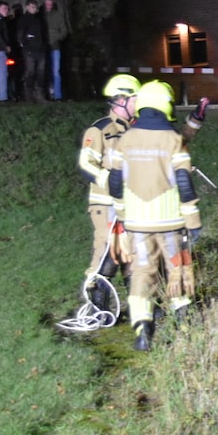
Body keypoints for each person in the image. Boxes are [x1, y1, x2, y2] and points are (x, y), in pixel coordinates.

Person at [108, 80, 203, 351]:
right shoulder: (173, 140)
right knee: (178, 269)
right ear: (166, 105)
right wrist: (193, 222)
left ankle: (142, 331)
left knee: (141, 273)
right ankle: (186, 326)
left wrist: (122, 214)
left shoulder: (125, 140)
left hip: (137, 223)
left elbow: (115, 181)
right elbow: (184, 183)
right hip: (171, 223)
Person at [78, 73, 141, 313]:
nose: (138, 103)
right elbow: (86, 164)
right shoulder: (100, 129)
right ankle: (96, 310)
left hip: (130, 204)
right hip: (105, 204)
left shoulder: (136, 129)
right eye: (135, 99)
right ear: (121, 100)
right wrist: (111, 180)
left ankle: (139, 309)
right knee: (106, 252)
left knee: (131, 253)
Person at [17, 0, 48, 102]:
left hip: (40, 49)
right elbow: (20, 36)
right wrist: (25, 47)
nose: (34, 9)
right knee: (30, 72)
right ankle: (29, 96)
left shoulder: (38, 19)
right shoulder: (23, 20)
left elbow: (42, 34)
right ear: (27, 7)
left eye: (35, 7)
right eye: (32, 7)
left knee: (41, 73)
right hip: (29, 50)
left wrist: (43, 45)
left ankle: (39, 95)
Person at [43, 0, 69, 100]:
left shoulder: (58, 15)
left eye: (50, 4)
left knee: (56, 71)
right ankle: (47, 94)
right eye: (47, 4)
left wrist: (56, 38)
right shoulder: (40, 15)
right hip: (43, 47)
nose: (48, 6)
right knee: (44, 71)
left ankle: (57, 95)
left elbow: (64, 30)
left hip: (55, 46)